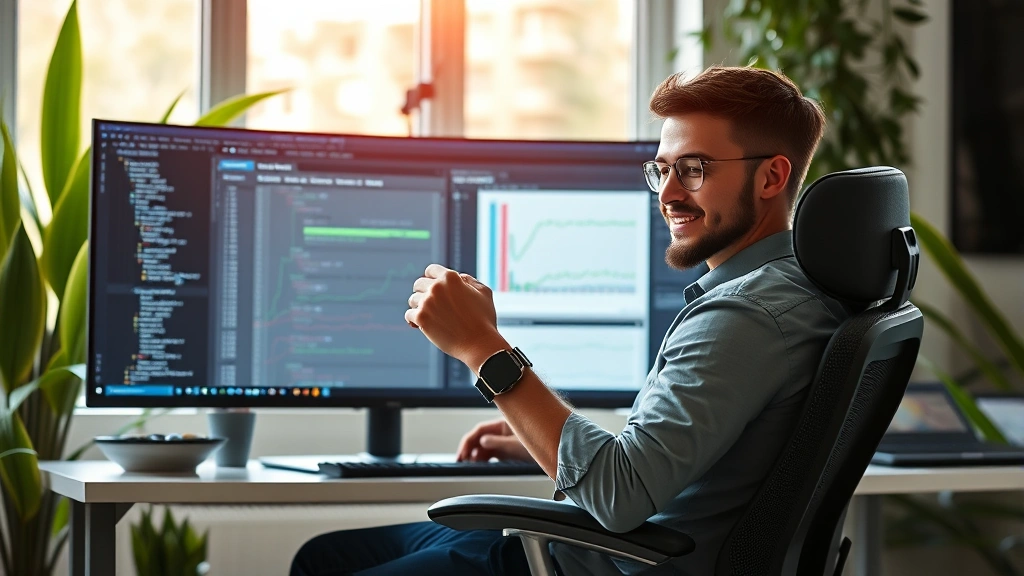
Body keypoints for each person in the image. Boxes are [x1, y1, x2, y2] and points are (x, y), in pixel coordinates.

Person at [291, 65, 849, 576]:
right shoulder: (794, 294)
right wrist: (542, 441)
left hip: (581, 565)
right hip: (595, 550)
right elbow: (668, 465)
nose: (670, 194)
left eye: (695, 169)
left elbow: (621, 496)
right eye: (662, 170)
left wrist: (481, 346)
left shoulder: (744, 315)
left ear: (773, 178)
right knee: (324, 556)